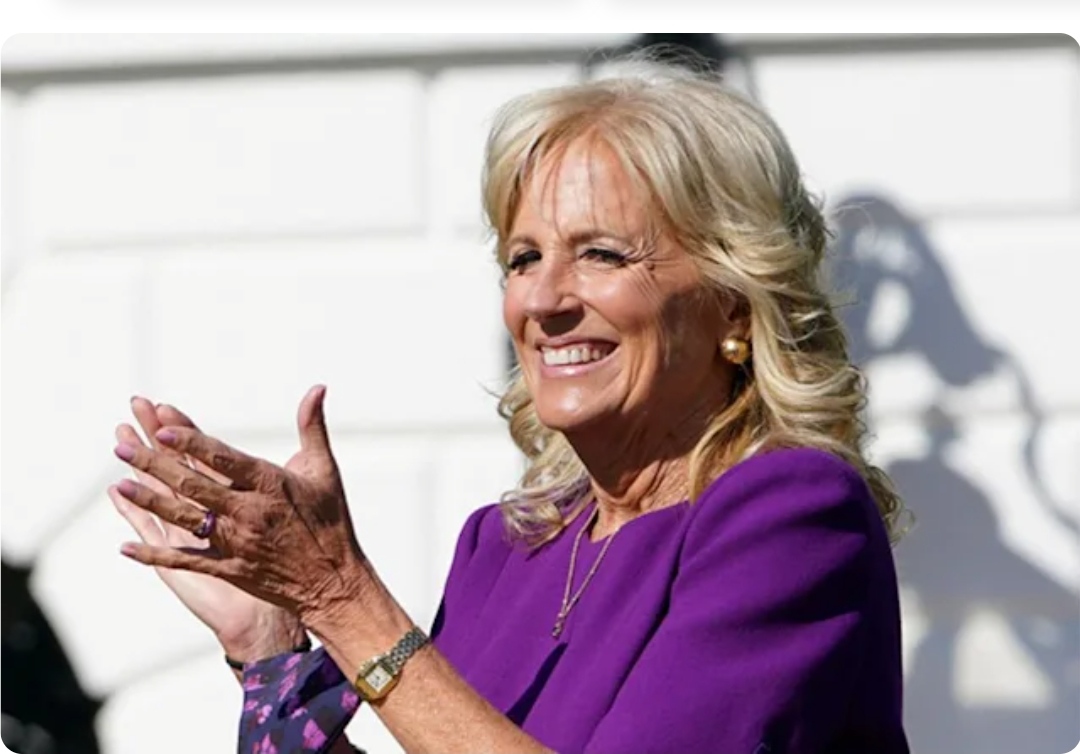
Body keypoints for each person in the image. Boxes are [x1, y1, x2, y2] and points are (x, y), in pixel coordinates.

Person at [109, 61, 911, 754]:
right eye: (524, 258)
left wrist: (340, 596)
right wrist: (271, 648)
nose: (545, 299)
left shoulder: (791, 515)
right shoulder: (506, 547)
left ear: (734, 302)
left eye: (600, 253)